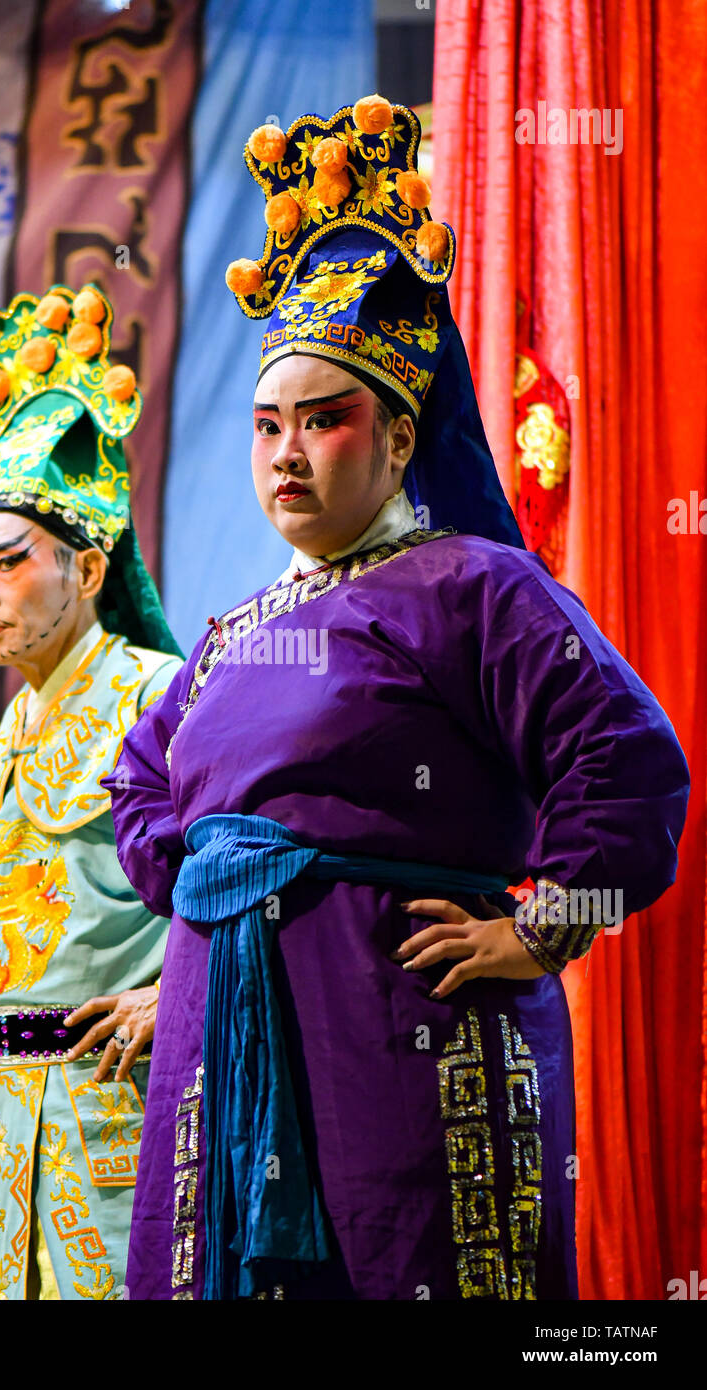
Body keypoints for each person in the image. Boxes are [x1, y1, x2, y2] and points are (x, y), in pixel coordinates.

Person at [105, 96, 690, 1301]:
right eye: (267, 424)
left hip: (402, 1038)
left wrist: (539, 924)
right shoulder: (232, 635)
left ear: (396, 434)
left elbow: (628, 758)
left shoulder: (473, 586)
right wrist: (209, 915)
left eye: (323, 420)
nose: (285, 453)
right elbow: (141, 783)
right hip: (228, 1040)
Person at [0, 283, 182, 1300]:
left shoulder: (160, 696)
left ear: (86, 563)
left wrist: (179, 996)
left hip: (101, 1112)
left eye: (7, 564)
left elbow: (238, 887)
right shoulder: (19, 719)